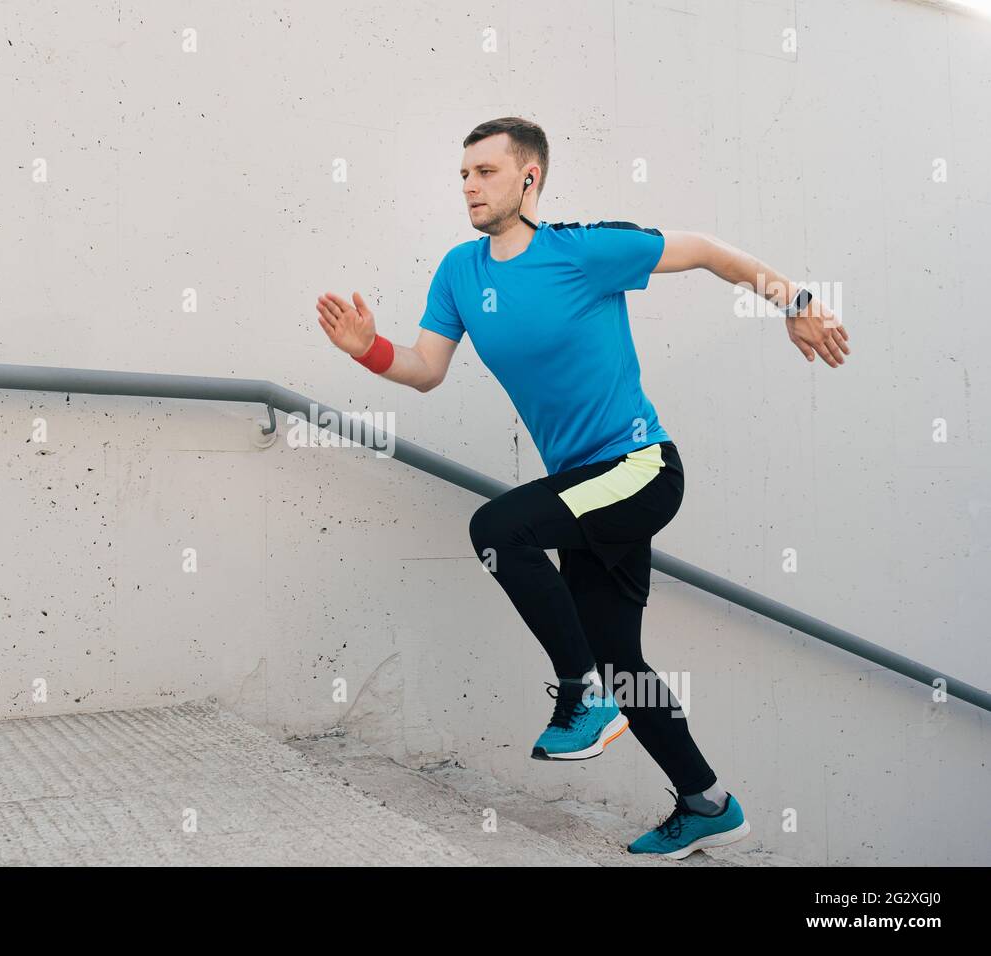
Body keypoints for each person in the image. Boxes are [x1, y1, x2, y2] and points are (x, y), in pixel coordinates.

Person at [315, 116, 848, 859]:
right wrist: (366, 350)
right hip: (585, 488)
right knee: (621, 657)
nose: (469, 185)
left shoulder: (584, 251)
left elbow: (704, 253)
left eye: (486, 172)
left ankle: (579, 692)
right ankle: (707, 802)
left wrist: (796, 302)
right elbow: (426, 369)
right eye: (463, 173)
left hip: (639, 469)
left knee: (499, 530)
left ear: (528, 178)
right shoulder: (460, 273)